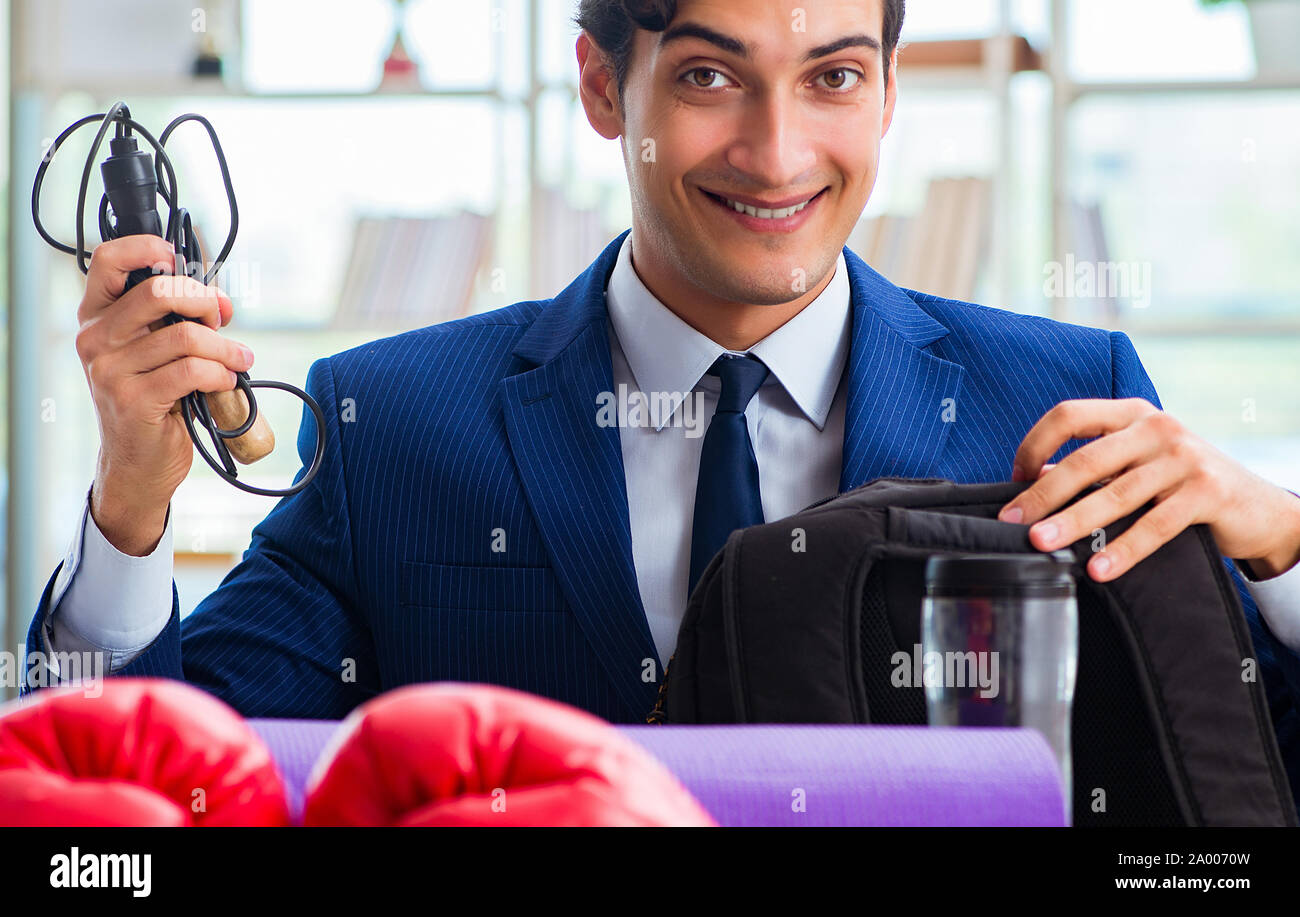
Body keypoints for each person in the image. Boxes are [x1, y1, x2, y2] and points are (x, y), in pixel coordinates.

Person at [25, 0, 1300, 789]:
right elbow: (161, 800)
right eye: (706, 76)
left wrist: (1286, 557)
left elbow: (1239, 779)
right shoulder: (394, 425)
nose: (777, 151)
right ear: (600, 86)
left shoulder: (1070, 397)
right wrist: (132, 511)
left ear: (891, 91)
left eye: (834, 77)